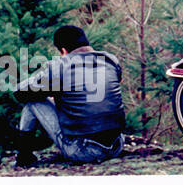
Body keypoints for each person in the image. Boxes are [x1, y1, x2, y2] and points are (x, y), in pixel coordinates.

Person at [13, 25, 126, 168]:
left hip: (83, 151)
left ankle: (24, 157)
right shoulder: (111, 59)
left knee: (33, 102)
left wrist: (52, 91)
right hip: (116, 145)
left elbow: (20, 92)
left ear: (64, 51)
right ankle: (25, 157)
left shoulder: (59, 66)